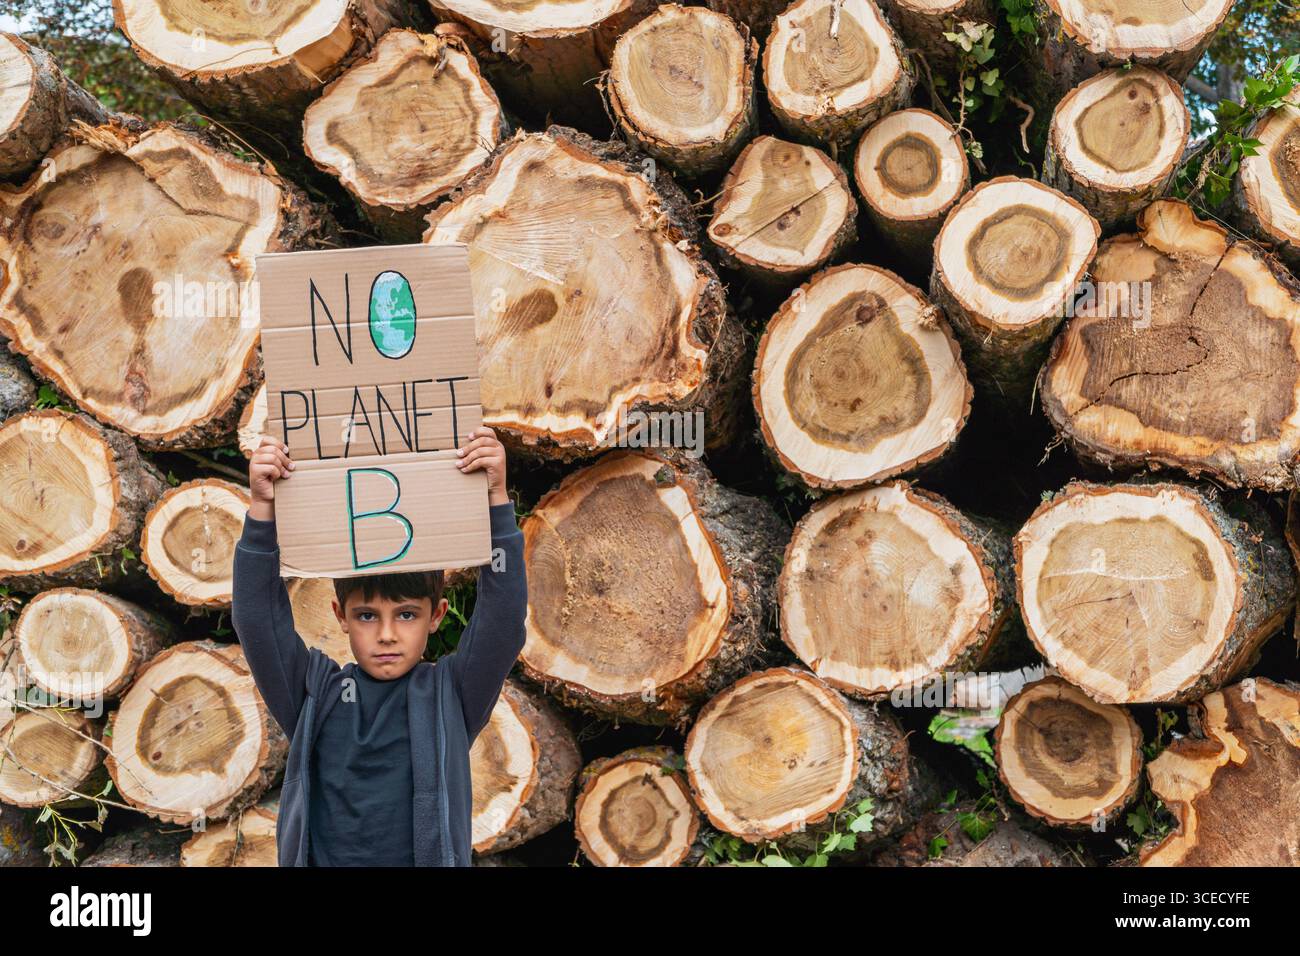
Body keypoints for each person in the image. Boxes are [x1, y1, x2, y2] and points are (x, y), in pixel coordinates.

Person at [230, 426, 527, 866]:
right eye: (367, 615)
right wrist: (261, 509)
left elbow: (502, 624)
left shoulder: (452, 695)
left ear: (437, 616)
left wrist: (496, 499)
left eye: (406, 614)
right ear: (340, 617)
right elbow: (256, 619)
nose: (386, 634)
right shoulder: (315, 695)